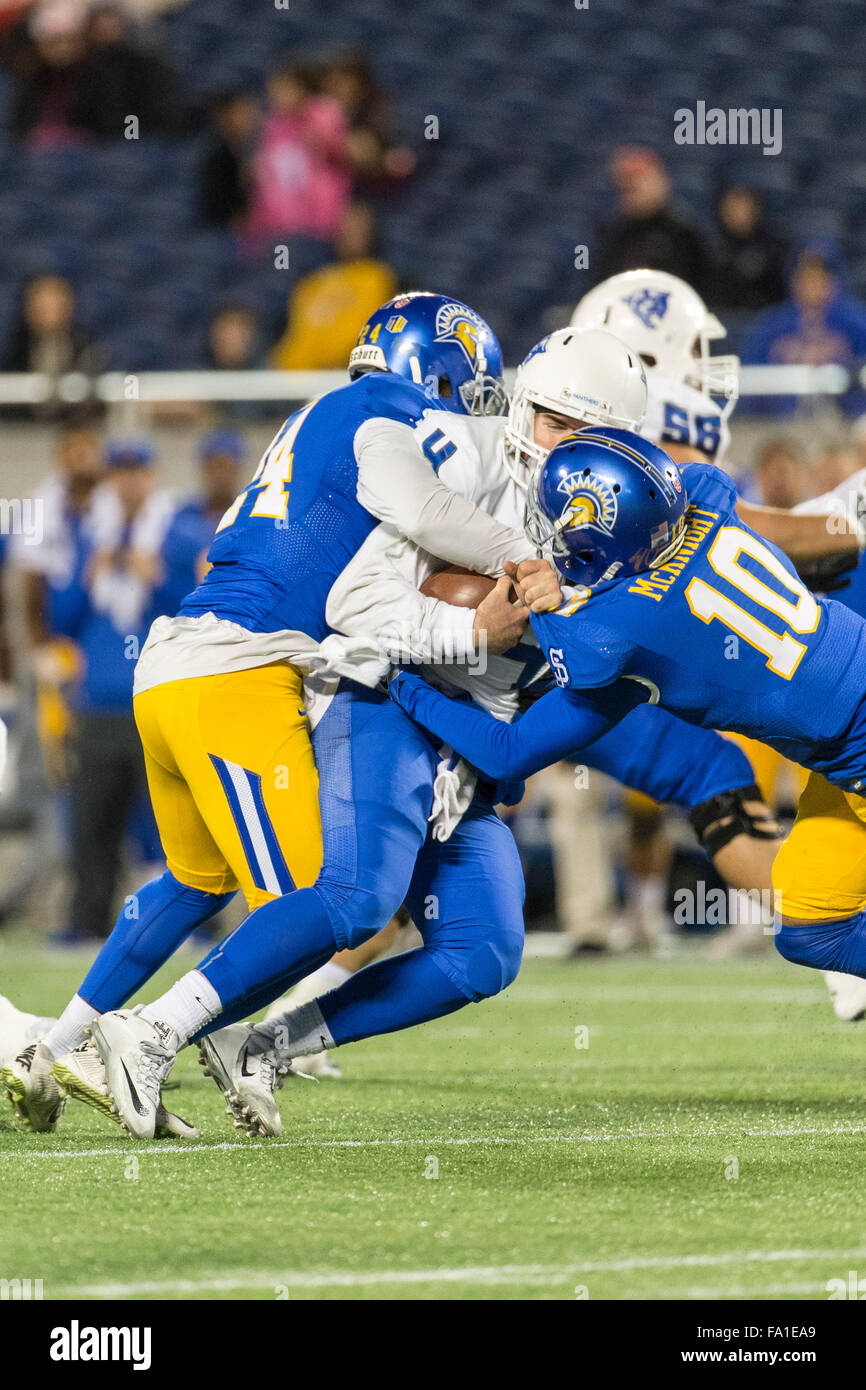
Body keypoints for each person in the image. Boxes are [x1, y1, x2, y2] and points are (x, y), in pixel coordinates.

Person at [0, 292, 555, 1138]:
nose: (467, 412)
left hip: (178, 661)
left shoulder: (319, 415)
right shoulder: (380, 410)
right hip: (241, 668)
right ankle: (184, 1037)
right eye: (464, 389)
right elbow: (426, 513)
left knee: (196, 881)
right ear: (435, 372)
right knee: (329, 896)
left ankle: (53, 1045)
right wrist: (517, 559)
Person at [387, 430, 866, 1033]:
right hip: (843, 757)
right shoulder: (705, 496)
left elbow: (507, 752)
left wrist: (402, 684)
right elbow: (684, 482)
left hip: (853, 750)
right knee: (811, 925)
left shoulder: (615, 635)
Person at [741, 241, 866, 417]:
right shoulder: (769, 327)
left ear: (835, 281)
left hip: (846, 427)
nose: (812, 285)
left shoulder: (857, 324)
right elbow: (750, 388)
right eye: (806, 277)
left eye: (820, 277)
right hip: (777, 429)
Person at [243, 59, 351, 258]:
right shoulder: (274, 124)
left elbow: (340, 154)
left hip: (322, 220)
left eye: (282, 90)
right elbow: (268, 171)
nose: (275, 97)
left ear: (299, 87)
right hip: (283, 221)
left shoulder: (324, 112)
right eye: (273, 91)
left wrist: (320, 141)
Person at [270, 202, 397, 370]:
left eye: (357, 227)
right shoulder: (314, 282)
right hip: (290, 379)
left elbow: (364, 339)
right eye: (344, 225)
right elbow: (293, 340)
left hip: (337, 378)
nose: (348, 232)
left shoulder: (378, 278)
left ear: (371, 232)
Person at [591, 148, 713, 296]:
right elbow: (600, 285)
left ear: (659, 182)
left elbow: (703, 284)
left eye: (636, 183)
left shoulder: (683, 232)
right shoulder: (613, 232)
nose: (629, 191)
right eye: (624, 188)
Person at [709, 186, 788, 316]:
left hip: (760, 316)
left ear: (755, 209)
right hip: (720, 314)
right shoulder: (709, 243)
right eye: (732, 208)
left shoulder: (774, 245)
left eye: (743, 207)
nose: (738, 213)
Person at [198, 90, 259, 229]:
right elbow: (220, 206)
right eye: (243, 113)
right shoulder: (216, 156)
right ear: (224, 117)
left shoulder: (240, 151)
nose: (251, 118)